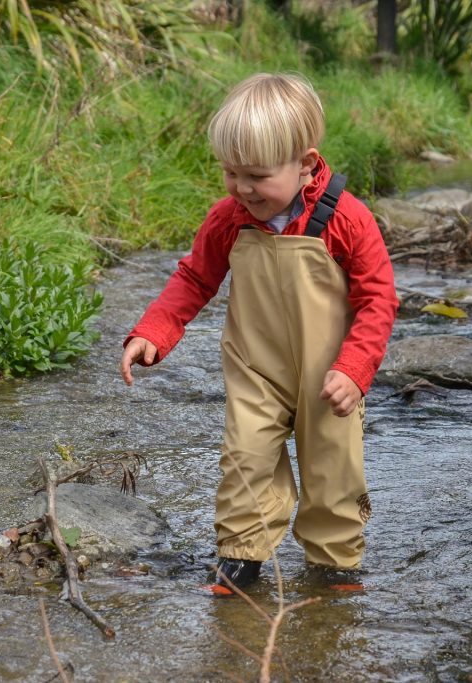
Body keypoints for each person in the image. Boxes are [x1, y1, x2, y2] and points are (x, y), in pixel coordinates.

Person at [119, 73, 399, 589]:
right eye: (231, 173)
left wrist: (355, 368)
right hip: (256, 369)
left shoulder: (347, 220)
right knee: (245, 460)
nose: (243, 189)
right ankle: (240, 559)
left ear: (306, 164)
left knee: (333, 470)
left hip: (330, 375)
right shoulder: (229, 219)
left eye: (257, 176)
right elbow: (194, 278)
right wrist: (154, 331)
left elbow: (378, 300)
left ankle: (334, 568)